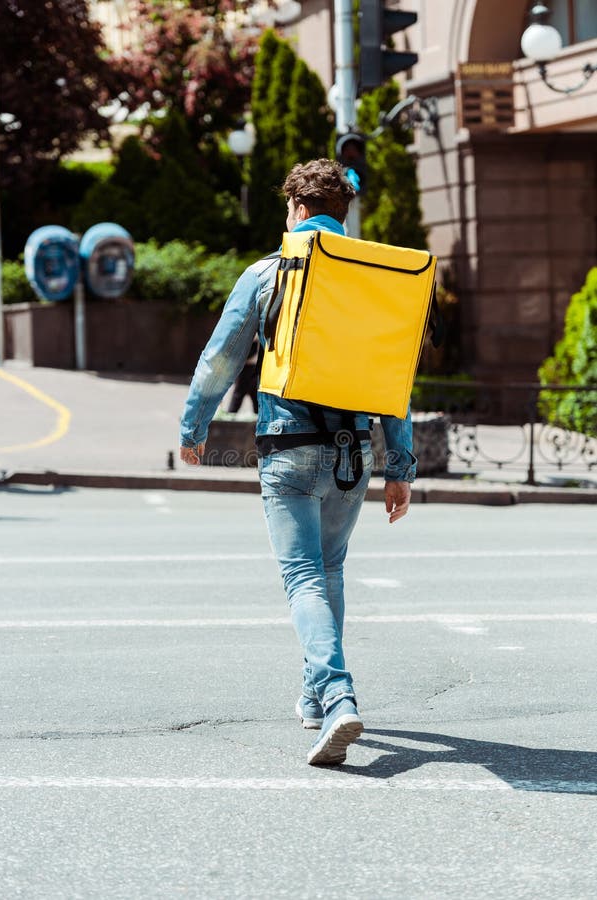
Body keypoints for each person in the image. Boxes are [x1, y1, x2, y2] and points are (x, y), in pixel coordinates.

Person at [180, 159, 415, 766]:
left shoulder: (268, 273)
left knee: (303, 577)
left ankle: (337, 696)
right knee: (329, 572)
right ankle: (315, 699)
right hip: (354, 452)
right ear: (342, 212)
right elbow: (395, 378)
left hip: (288, 447)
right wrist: (400, 466)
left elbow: (219, 360)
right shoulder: (373, 280)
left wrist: (193, 426)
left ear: (297, 209)